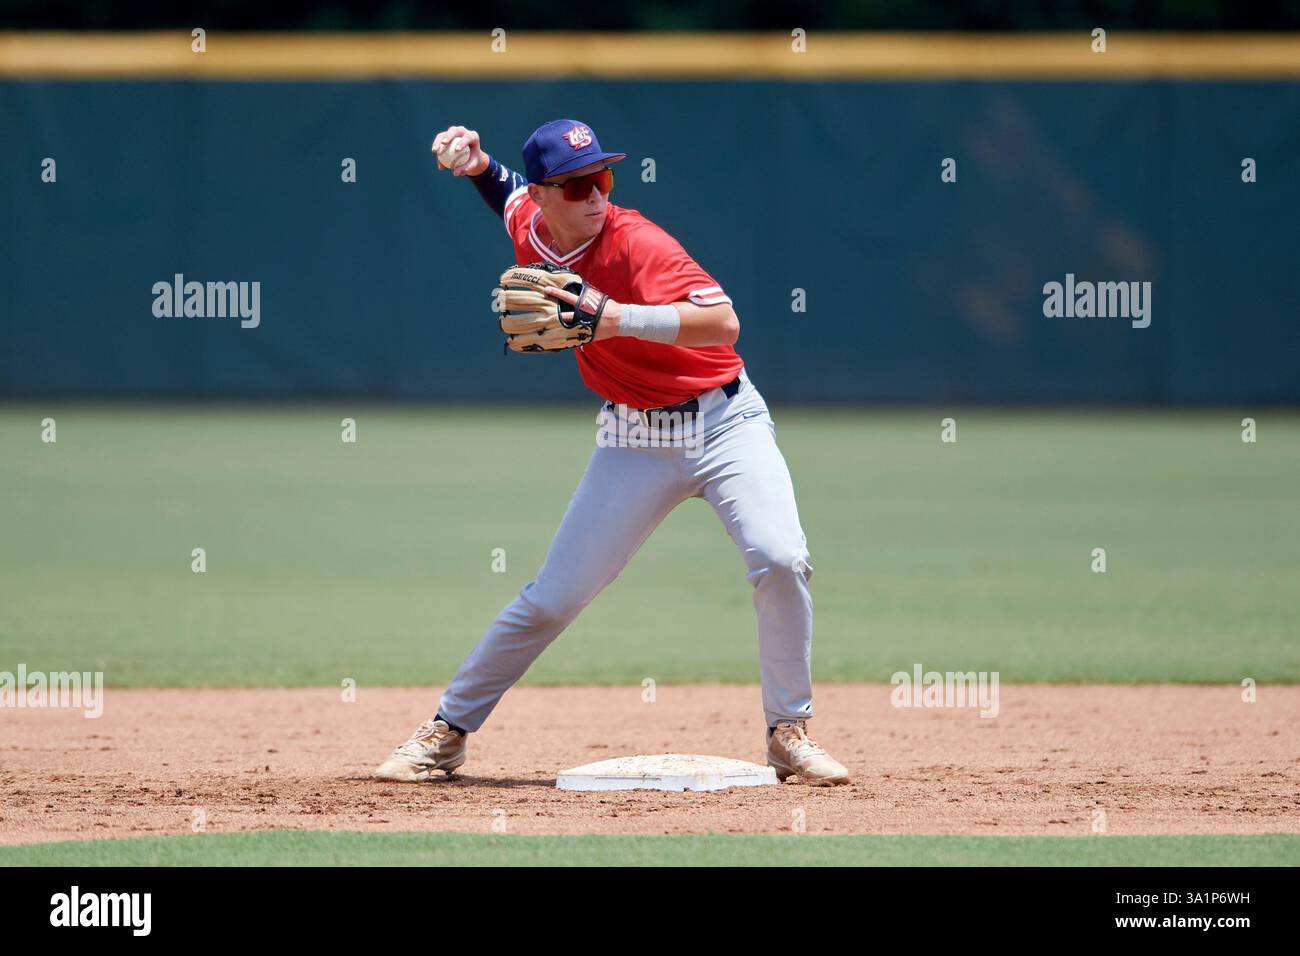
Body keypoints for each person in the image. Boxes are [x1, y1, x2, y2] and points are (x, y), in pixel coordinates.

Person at [373, 119, 848, 785]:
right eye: (576, 185)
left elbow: (725, 320)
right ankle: (447, 731)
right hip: (634, 437)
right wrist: (479, 164)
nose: (595, 194)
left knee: (781, 559)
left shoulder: (639, 243)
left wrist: (617, 316)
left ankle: (788, 731)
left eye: (603, 176)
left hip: (725, 423)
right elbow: (507, 191)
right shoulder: (530, 226)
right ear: (545, 197)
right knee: (552, 599)